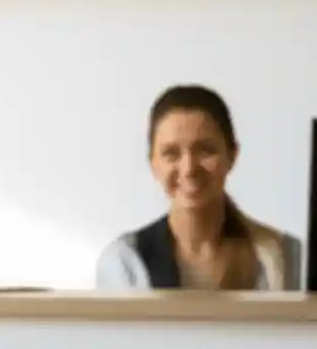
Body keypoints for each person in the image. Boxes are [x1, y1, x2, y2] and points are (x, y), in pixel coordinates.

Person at [96, 84, 302, 291]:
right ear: (153, 164)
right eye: (171, 153)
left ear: (232, 155)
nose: (188, 169)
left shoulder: (285, 256)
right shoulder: (124, 262)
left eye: (205, 150)